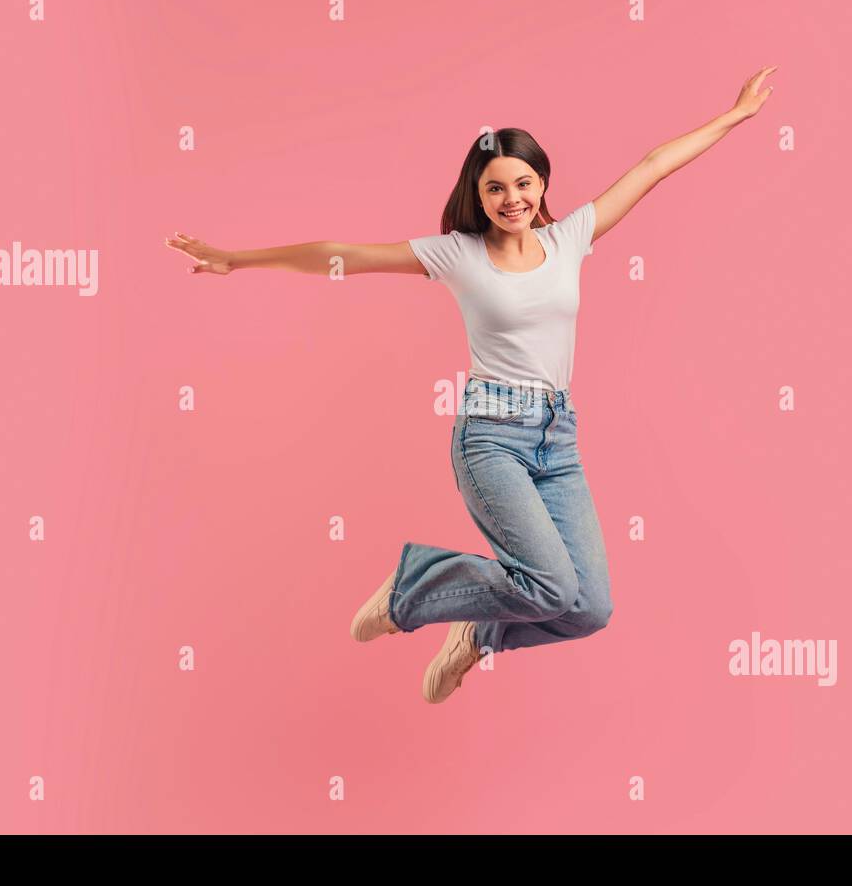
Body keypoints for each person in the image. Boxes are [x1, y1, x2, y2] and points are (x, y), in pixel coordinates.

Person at [165, 66, 778, 704]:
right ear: (478, 195)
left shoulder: (568, 240)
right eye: (495, 188)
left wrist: (734, 116)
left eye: (523, 182)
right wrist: (239, 258)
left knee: (587, 607)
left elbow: (653, 166)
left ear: (541, 184)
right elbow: (342, 254)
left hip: (557, 439)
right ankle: (413, 585)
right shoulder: (459, 254)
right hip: (491, 437)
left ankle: (478, 633)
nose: (511, 198)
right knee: (547, 582)